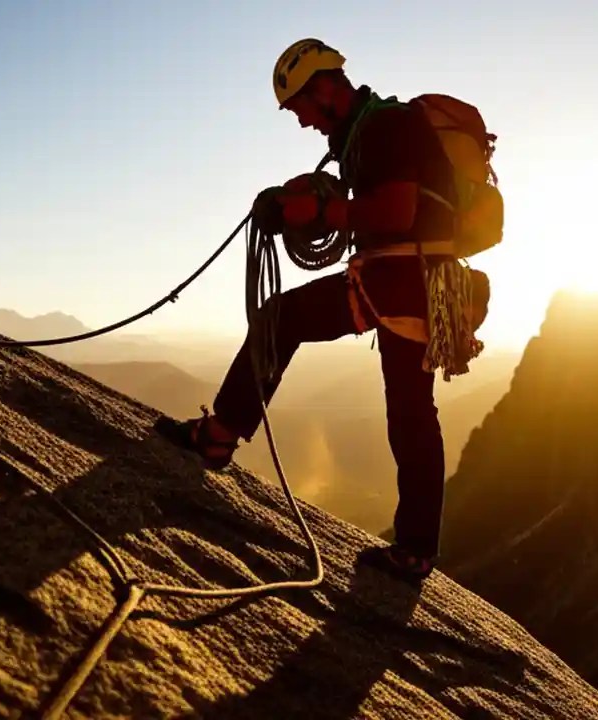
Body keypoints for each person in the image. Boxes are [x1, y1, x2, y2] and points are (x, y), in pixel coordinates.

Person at [158, 39, 490, 583]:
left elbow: (396, 209)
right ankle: (414, 549)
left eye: (301, 108)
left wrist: (321, 208)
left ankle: (219, 437)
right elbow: (382, 205)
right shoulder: (364, 133)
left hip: (406, 278)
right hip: (408, 278)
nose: (302, 121)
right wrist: (304, 201)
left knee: (299, 334)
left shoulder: (387, 125)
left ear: (325, 88)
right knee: (400, 405)